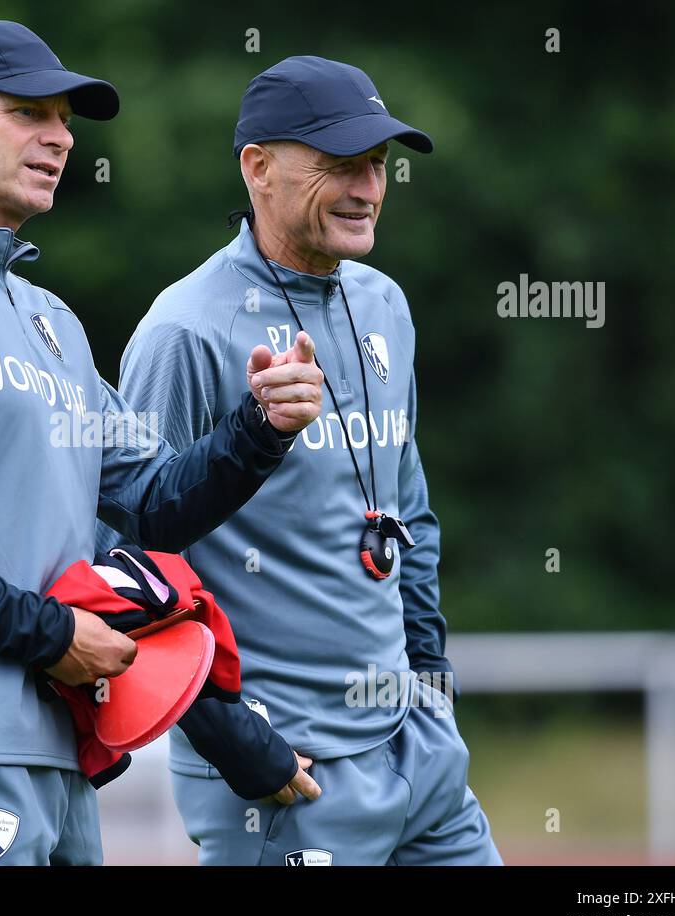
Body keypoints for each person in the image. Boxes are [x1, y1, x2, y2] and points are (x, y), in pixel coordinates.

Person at [0, 21, 323, 866]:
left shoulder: (50, 323)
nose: (60, 138)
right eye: (28, 113)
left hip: (63, 761)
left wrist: (259, 428)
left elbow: (154, 501)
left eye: (67, 122)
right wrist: (50, 635)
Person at [99, 56, 501, 865]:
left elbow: (406, 511)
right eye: (340, 166)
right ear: (259, 169)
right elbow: (128, 563)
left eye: (378, 166)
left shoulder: (385, 302)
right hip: (291, 776)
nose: (368, 188)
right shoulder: (185, 329)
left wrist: (430, 681)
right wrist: (233, 739)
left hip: (418, 753)